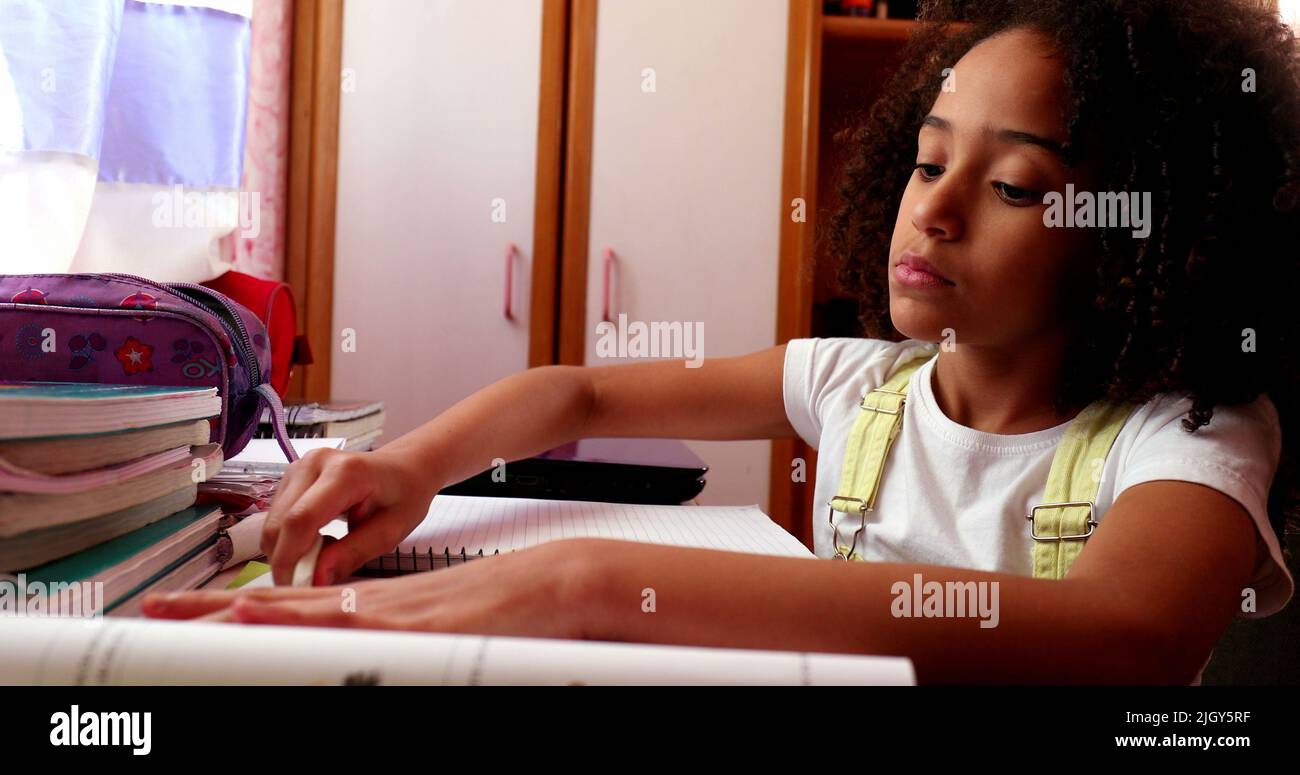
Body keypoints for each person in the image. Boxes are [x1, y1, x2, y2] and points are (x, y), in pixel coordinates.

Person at [144, 0, 1300, 684]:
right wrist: (404, 466)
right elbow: (578, 393)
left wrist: (593, 582)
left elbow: (1131, 634)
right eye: (927, 158)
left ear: (1147, 238)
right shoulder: (861, 382)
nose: (933, 208)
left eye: (1009, 183)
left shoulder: (1188, 438)